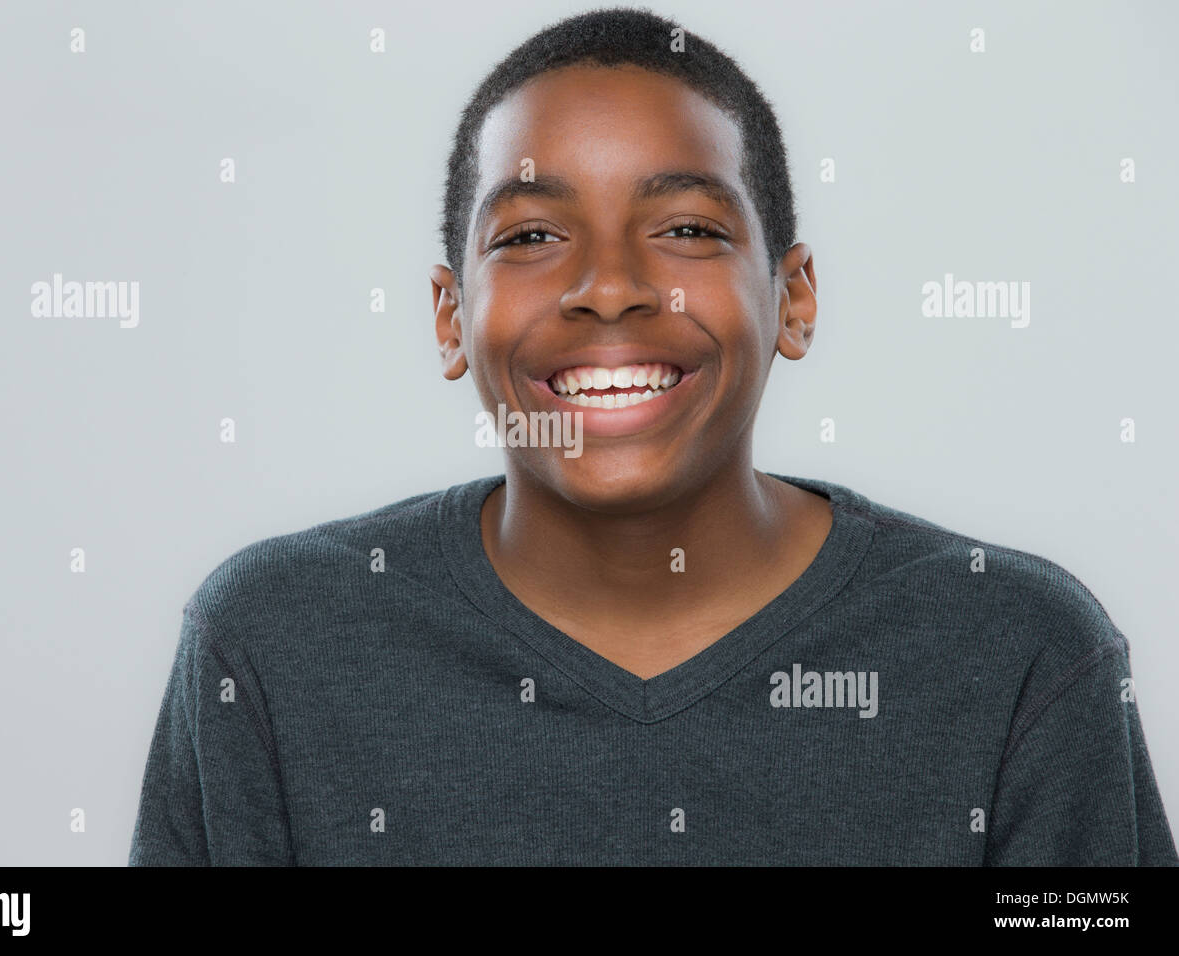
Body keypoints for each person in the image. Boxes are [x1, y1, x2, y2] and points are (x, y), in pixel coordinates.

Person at [129, 6, 1177, 865]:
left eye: (686, 228)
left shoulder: (1018, 657)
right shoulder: (272, 646)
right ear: (451, 318)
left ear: (793, 297)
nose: (612, 287)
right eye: (532, 236)